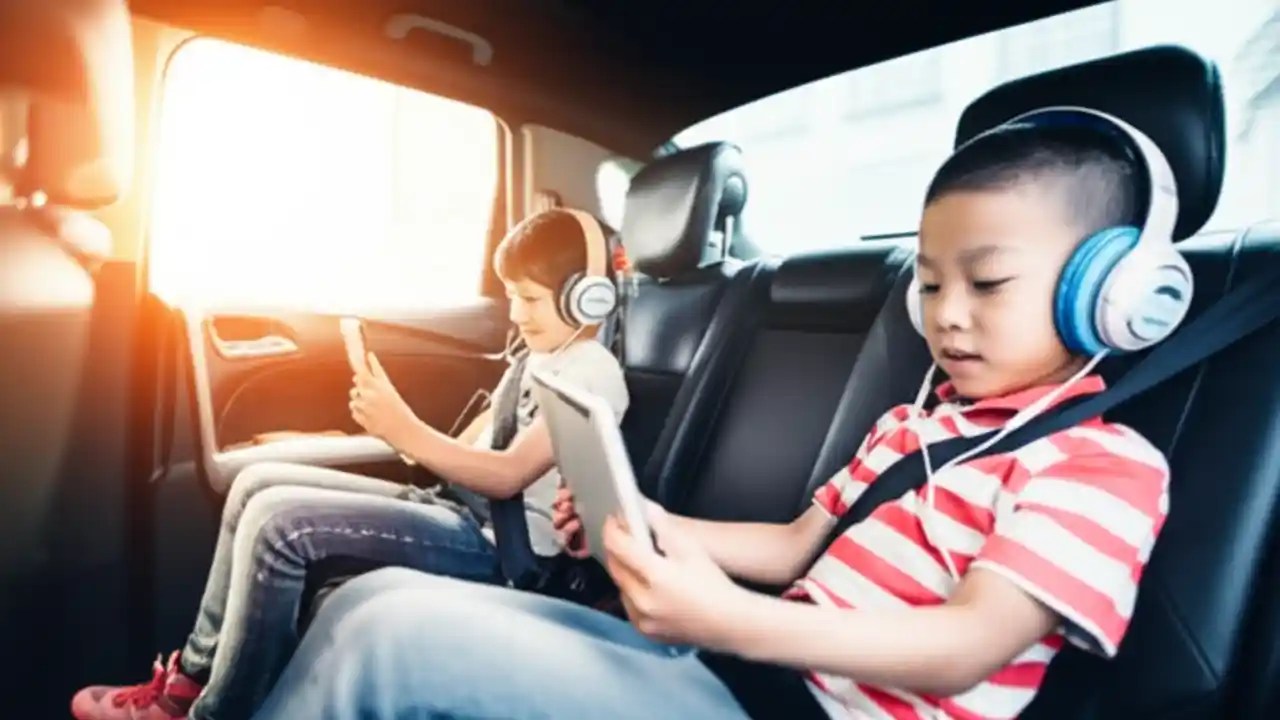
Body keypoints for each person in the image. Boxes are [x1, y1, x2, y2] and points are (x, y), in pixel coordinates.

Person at [249, 112, 1178, 720]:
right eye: (930, 284)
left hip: (789, 693)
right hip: (750, 669)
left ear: (1109, 296)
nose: (947, 313)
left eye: (989, 283)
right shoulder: (914, 427)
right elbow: (791, 548)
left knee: (387, 640)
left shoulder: (1100, 466)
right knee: (375, 600)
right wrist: (651, 527)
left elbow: (968, 644)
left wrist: (729, 619)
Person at [70, 208, 630, 720]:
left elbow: (509, 473)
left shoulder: (593, 371)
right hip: (457, 509)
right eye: (511, 296)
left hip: (504, 549)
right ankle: (191, 681)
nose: (515, 313)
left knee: (279, 527)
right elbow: (463, 452)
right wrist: (398, 427)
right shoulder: (539, 357)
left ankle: (219, 712)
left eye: (529, 299)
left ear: (587, 298)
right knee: (255, 484)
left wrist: (406, 429)